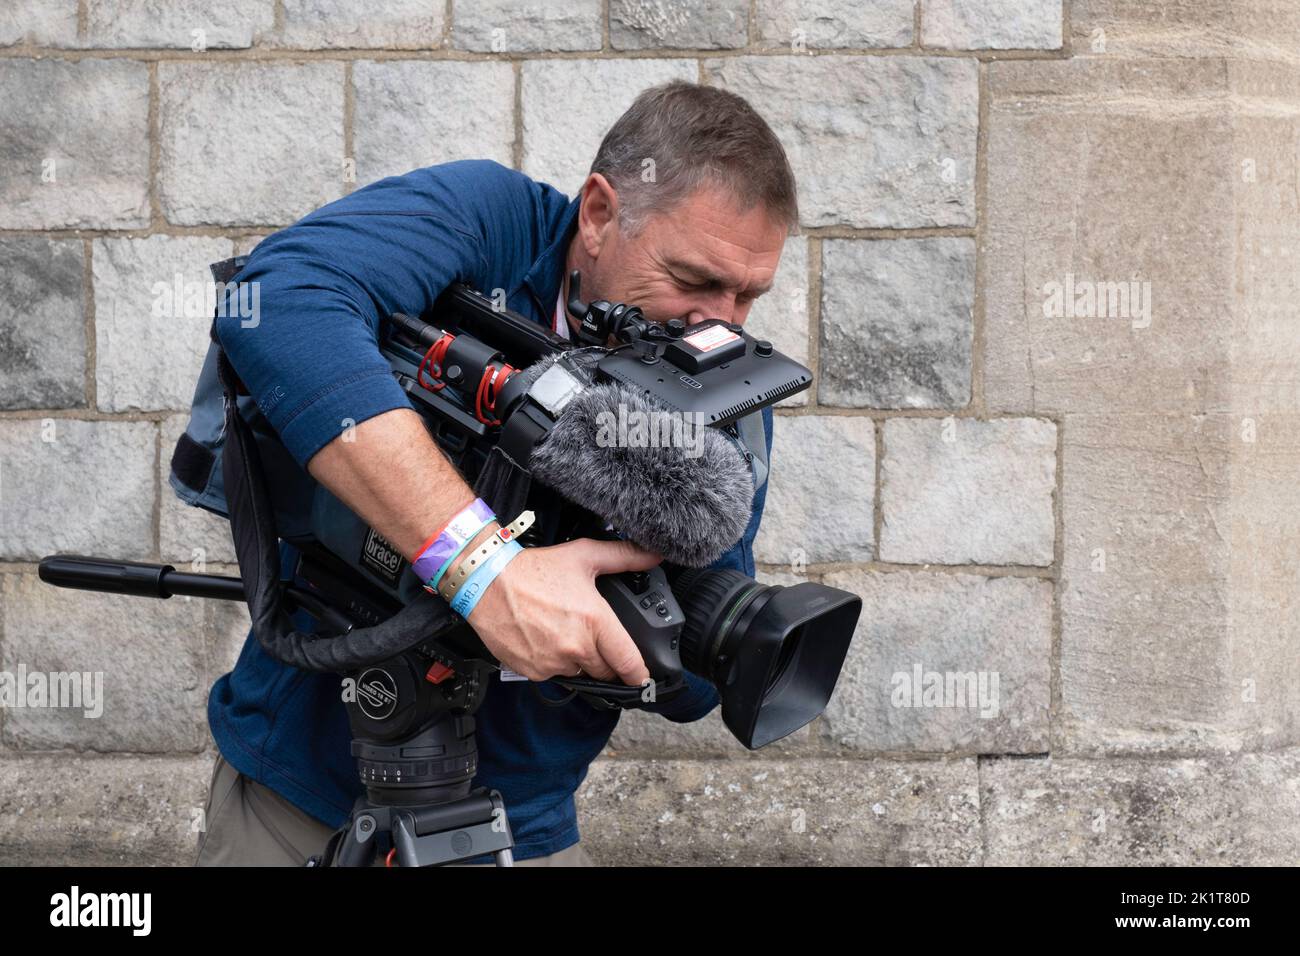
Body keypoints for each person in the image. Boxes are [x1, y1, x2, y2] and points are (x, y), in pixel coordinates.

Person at [193, 79, 799, 866]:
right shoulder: (489, 220)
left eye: (748, 295)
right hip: (300, 798)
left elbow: (701, 669)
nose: (719, 323)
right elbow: (275, 302)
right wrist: (484, 571)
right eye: (692, 280)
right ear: (600, 212)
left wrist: (641, 641)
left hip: (522, 825)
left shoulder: (728, 391)